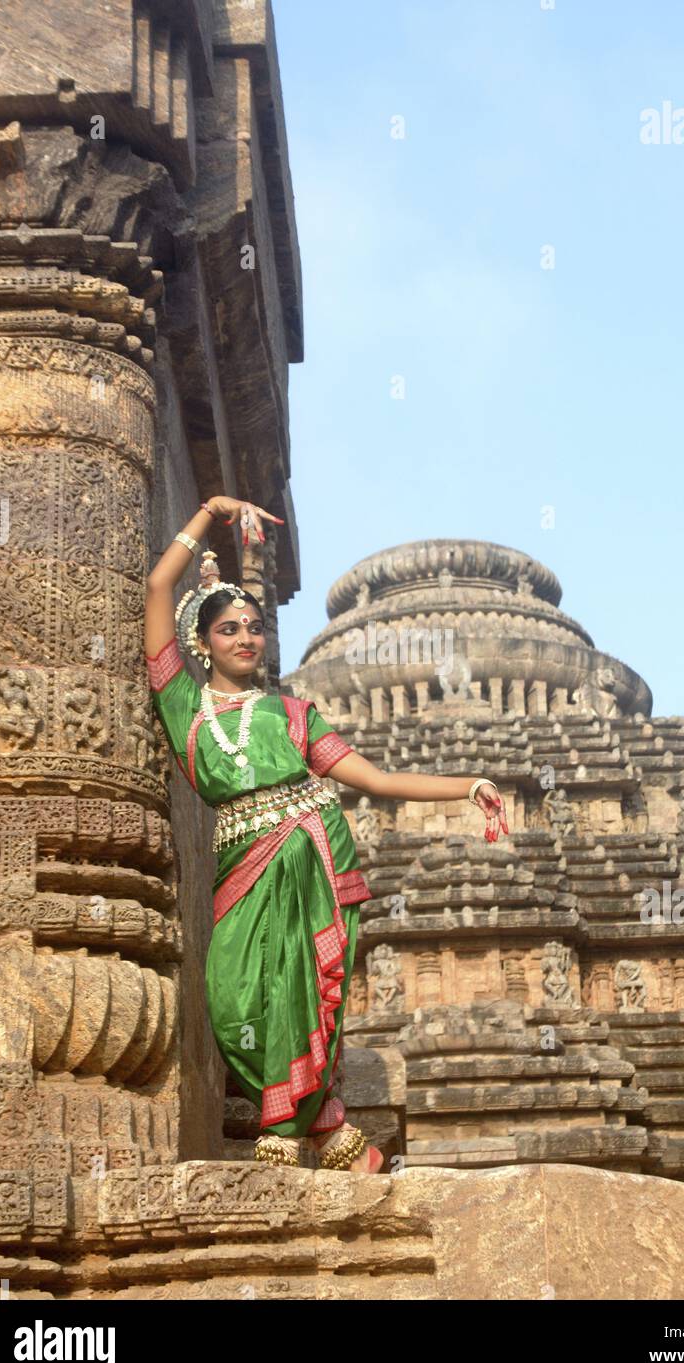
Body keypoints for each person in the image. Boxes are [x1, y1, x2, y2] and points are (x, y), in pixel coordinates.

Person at [145, 495, 510, 1173]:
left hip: (309, 852)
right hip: (242, 864)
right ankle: (333, 1132)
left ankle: (286, 1131)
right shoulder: (182, 702)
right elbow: (162, 585)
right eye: (229, 630)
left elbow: (372, 779)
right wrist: (205, 516)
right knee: (233, 995)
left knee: (301, 989)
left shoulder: (292, 715)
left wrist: (467, 787)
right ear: (203, 642)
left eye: (254, 627)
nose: (246, 639)